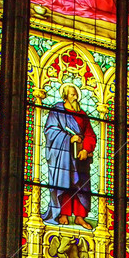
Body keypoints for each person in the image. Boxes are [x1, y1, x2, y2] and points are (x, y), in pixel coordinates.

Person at [42, 84, 95, 228]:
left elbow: (90, 135)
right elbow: (50, 131)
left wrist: (85, 149)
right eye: (72, 94)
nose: (75, 97)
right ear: (65, 96)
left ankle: (80, 217)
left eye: (76, 94)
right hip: (63, 156)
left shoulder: (82, 115)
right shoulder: (57, 111)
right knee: (65, 182)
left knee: (82, 185)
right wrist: (68, 139)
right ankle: (63, 214)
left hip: (80, 157)